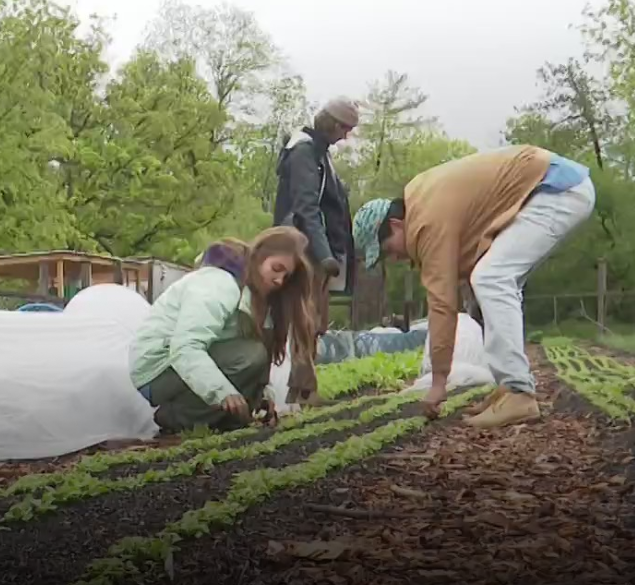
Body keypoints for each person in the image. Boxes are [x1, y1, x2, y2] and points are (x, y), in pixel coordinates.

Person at [350, 144, 596, 429]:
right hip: (552, 188)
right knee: (491, 280)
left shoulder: (426, 221)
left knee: (491, 278)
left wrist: (439, 382)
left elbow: (442, 303)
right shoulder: (423, 200)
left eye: (386, 250)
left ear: (395, 225)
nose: (393, 259)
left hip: (555, 190)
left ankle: (519, 393)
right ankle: (510, 386)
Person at [130, 227, 319, 433]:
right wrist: (223, 393)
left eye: (286, 276)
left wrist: (261, 398)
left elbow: (256, 363)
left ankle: (221, 422)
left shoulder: (253, 297)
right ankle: (177, 419)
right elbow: (185, 347)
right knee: (251, 355)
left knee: (256, 354)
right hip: (156, 367)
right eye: (276, 268)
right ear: (259, 258)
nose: (279, 280)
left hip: (178, 363)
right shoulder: (219, 284)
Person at [272, 97, 359, 404]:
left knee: (314, 322)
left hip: (317, 248)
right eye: (345, 128)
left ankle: (302, 390)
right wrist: (324, 254)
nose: (346, 136)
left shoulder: (319, 154)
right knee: (305, 319)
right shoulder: (304, 152)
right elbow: (306, 208)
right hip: (306, 248)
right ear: (331, 124)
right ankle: (304, 392)